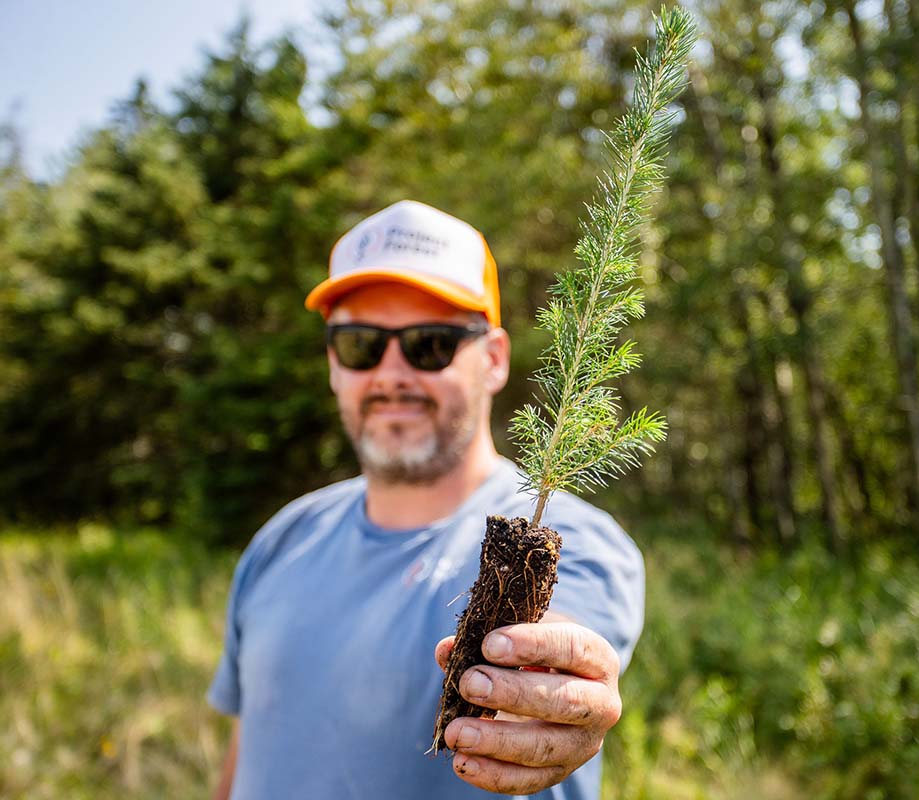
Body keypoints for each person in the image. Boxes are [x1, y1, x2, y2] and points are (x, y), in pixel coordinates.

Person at [208, 200, 645, 800]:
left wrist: (556, 693)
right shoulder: (282, 539)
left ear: (493, 359)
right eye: (360, 343)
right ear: (333, 363)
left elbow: (572, 651)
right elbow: (249, 746)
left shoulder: (565, 541)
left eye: (429, 343)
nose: (390, 373)